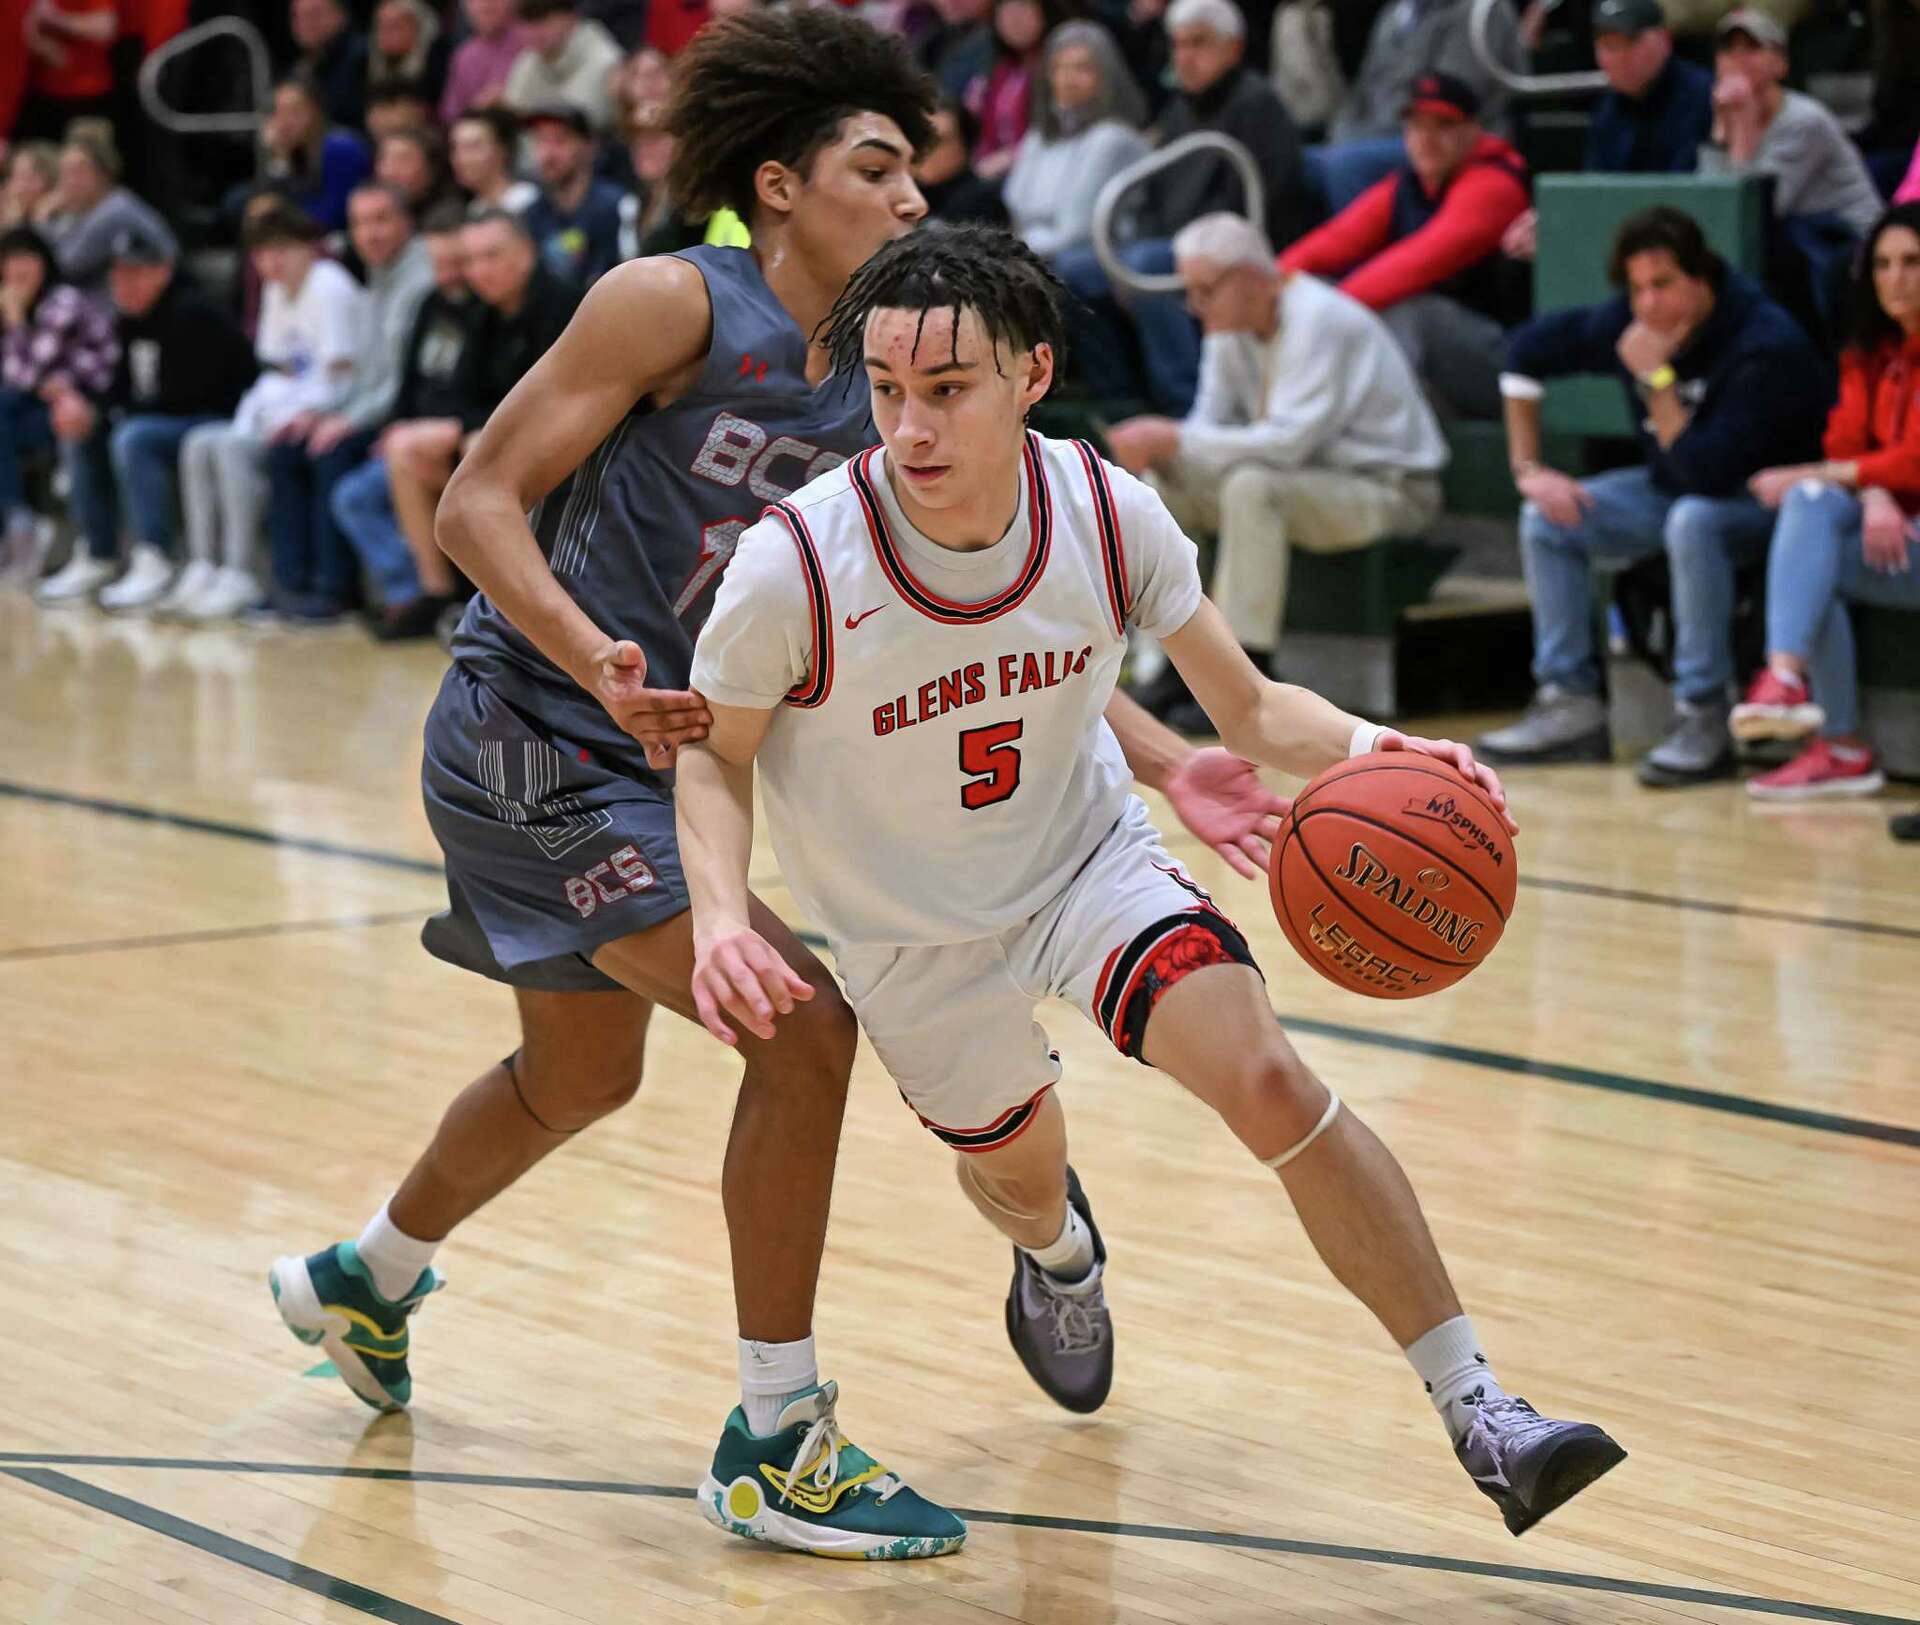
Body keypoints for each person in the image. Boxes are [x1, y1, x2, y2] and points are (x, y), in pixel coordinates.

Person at [675, 221, 1626, 1544]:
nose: (910, 427)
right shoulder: (797, 561)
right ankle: (1058, 1252)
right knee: (1022, 1177)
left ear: (1031, 374)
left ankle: (1483, 1406)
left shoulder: (1106, 511)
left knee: (1271, 1077)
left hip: (1085, 867)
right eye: (886, 390)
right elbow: (713, 756)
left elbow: (1253, 709)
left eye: (946, 388)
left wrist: (1384, 750)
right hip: (911, 938)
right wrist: (723, 916)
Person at [1477, 206, 1829, 783]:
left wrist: (1656, 379)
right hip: (1673, 490)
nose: (1646, 305)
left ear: (1702, 276)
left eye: (1662, 285)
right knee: (1546, 519)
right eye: (1636, 288)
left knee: (1693, 520)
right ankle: (1571, 702)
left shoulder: (1765, 344)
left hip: (1768, 508)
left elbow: (1706, 473)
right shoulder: (1631, 320)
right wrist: (1528, 467)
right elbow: (1525, 352)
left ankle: (1702, 711)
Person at [1108, 213, 1447, 726]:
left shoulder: (1320, 319)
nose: (1194, 306)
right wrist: (1167, 450)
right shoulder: (1228, 327)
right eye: (1189, 292)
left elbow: (1289, 444)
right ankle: (1170, 662)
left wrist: (1175, 438)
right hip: (1308, 481)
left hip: (1389, 489)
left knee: (1251, 486)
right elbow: (1207, 427)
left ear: (1249, 277)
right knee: (1167, 480)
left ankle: (1245, 671)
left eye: (1205, 291)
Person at [1730, 205, 1920, 799]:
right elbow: (1845, 441)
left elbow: (1916, 459)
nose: (1895, 278)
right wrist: (1875, 491)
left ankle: (1795, 693)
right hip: (1897, 533)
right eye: (1883, 264)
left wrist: (1838, 476)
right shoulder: (1870, 351)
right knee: (1814, 536)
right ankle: (1816, 718)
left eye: (1912, 262)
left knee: (1809, 503)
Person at [1053, 0, 1312, 415]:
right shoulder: (1179, 110)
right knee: (1076, 270)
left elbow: (1264, 202)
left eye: (1199, 43)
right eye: (1178, 45)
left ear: (1234, 48)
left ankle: (1184, 405)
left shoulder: (1258, 105)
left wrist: (1175, 249)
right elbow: (1152, 197)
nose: (1185, 57)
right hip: (1168, 244)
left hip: (1229, 250)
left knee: (1148, 263)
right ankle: (1119, 403)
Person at [1281, 72, 1528, 421]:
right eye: (1416, 126)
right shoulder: (1409, 184)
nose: (1427, 139)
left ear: (1473, 131)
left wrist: (1326, 314)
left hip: (1508, 366)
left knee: (1408, 309)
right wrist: (1268, 286)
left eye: (1443, 126)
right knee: (1307, 289)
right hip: (1439, 366)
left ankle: (1370, 431)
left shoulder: (1495, 184)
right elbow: (1331, 243)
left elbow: (1414, 265)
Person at [35, 225, 255, 607]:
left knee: (133, 437)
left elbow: (186, 396)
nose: (123, 284)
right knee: (83, 431)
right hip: (162, 416)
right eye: (117, 275)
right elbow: (119, 389)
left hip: (216, 418)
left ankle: (155, 555)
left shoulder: (192, 313)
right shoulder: (131, 319)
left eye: (134, 273)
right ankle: (97, 552)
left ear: (162, 272)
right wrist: (90, 411)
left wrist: (111, 414)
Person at [374, 207, 579, 613]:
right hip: (497, 441)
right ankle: (437, 594)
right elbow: (462, 394)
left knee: (478, 449)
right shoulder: (482, 310)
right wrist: (458, 426)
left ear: (526, 252)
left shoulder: (562, 303)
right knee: (405, 453)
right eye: (469, 260)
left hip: (565, 448)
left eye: (491, 256)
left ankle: (518, 604)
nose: (479, 271)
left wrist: (464, 428)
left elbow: (549, 404)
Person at [175, 201, 367, 622]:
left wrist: (305, 413)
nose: (271, 263)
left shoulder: (329, 286)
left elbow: (343, 377)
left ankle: (241, 570)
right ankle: (205, 564)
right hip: (286, 408)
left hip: (329, 409)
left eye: (281, 250)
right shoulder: (276, 290)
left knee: (233, 450)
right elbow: (280, 369)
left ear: (307, 247)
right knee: (198, 442)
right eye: (262, 254)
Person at [261, 183, 434, 623]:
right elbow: (364, 373)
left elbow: (397, 383)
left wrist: (347, 421)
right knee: (288, 448)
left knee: (332, 452)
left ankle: (335, 590)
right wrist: (323, 415)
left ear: (406, 222)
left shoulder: (419, 281)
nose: (370, 233)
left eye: (381, 219)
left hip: (404, 416)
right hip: (374, 407)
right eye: (359, 223)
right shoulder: (378, 276)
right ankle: (291, 582)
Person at [332, 200, 478, 639]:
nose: (448, 274)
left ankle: (436, 594)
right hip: (416, 434)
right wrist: (395, 425)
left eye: (457, 263)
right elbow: (408, 382)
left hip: (459, 436)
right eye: (438, 264)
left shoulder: (484, 310)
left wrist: (445, 428)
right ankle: (420, 595)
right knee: (353, 491)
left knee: (368, 485)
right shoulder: (430, 304)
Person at [1700, 7, 1883, 329]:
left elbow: (1753, 212)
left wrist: (1741, 133)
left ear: (1780, 63)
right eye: (1728, 50)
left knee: (1770, 251)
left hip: (1850, 243)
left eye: (1752, 48)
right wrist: (1720, 132)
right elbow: (1712, 209)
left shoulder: (1804, 120)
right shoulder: (1724, 112)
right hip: (1800, 241)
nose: (1738, 60)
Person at [1502, 0, 1715, 263]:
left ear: (1664, 40)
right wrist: (1552, 219)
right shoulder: (1609, 106)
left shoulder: (1703, 97)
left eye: (1628, 43)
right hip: (1621, 234)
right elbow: (1594, 185)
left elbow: (1689, 194)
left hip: (1681, 240)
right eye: (1606, 46)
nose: (1618, 57)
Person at [1321, 0, 1525, 212]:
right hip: (1374, 138)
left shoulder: (1481, 10)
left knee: (1347, 163)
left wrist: (1353, 146)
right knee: (1307, 164)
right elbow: (1360, 95)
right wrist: (1341, 138)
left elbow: (1448, 101)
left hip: (1444, 141)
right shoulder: (1393, 12)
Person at [0, 226, 116, 582]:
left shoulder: (63, 301)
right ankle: (17, 520)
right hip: (41, 405)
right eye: (10, 260)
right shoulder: (18, 306)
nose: (19, 268)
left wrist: (16, 322)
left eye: (27, 257)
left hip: (92, 403)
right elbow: (17, 375)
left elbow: (37, 368)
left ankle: (25, 525)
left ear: (44, 262)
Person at [1002, 21, 1150, 261]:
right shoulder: (1038, 137)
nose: (1067, 80)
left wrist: (1008, 254)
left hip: (1093, 260)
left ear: (1106, 76)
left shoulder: (1112, 138)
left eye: (1082, 69)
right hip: (1033, 255)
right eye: (1058, 68)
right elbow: (1016, 207)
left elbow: (1077, 232)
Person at [40, 131, 175, 296]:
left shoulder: (115, 210)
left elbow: (65, 264)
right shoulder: (85, 210)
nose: (68, 182)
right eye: (64, 173)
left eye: (77, 172)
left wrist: (41, 218)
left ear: (102, 173)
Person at [520, 103, 626, 288]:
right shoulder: (532, 214)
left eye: (560, 140)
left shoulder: (615, 206)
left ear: (589, 147)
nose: (548, 153)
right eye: (540, 140)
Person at [256, 75, 373, 236]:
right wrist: (279, 158)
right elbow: (267, 201)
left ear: (316, 111)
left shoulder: (341, 146)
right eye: (278, 112)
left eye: (294, 111)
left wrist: (282, 215)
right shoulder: (296, 150)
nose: (284, 122)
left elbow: (331, 217)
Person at [502, 0, 624, 134]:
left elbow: (587, 124)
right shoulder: (529, 57)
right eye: (526, 22)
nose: (532, 32)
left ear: (570, 17)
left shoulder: (604, 60)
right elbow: (512, 114)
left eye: (542, 20)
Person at [440, 0, 530, 127]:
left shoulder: (531, 40)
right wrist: (477, 109)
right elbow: (451, 116)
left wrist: (511, 94)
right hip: (480, 131)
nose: (485, 4)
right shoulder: (464, 55)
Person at [291, 0, 371, 133]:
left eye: (314, 15)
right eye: (297, 16)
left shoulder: (363, 56)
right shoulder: (302, 68)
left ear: (341, 16)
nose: (304, 24)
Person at [451, 107, 538, 216]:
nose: (461, 158)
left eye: (473, 147)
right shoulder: (475, 210)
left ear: (503, 149)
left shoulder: (529, 202)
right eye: (455, 147)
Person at [369, 0, 451, 114]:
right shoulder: (364, 64)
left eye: (395, 26)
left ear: (418, 28)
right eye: (381, 26)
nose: (385, 33)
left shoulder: (439, 64)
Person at [375, 127, 451, 218]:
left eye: (403, 160)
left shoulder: (447, 217)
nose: (390, 171)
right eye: (384, 159)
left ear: (431, 169)